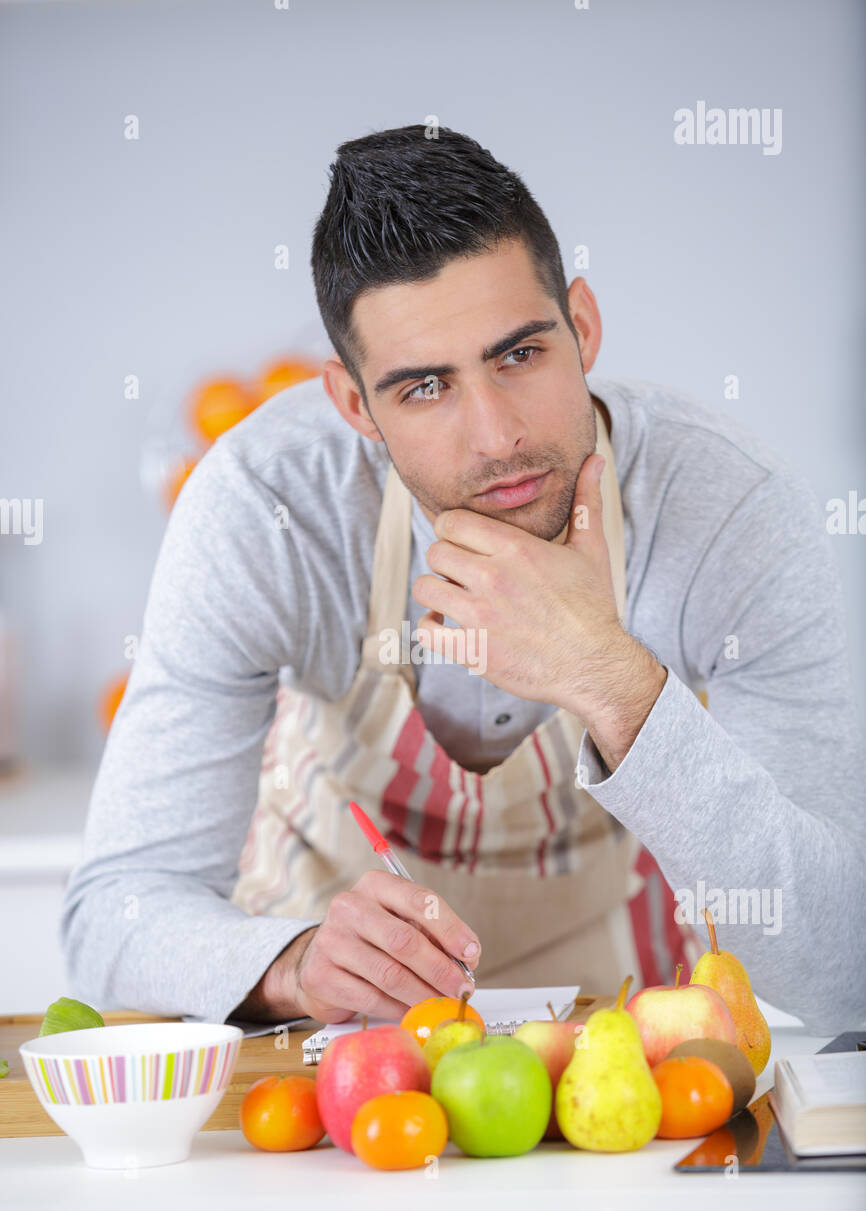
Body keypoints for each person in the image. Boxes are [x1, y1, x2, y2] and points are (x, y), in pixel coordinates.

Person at [61, 125, 866, 1034]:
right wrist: (294, 966)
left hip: (623, 1051)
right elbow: (114, 912)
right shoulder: (261, 507)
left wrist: (609, 676)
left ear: (585, 326)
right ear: (354, 404)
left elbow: (844, 963)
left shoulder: (732, 510)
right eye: (424, 388)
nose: (497, 437)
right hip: (350, 1062)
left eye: (520, 354)